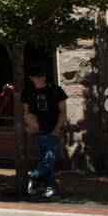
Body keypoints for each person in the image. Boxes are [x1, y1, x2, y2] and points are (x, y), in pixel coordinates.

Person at [20, 66, 66, 199]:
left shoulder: (55, 90)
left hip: (52, 130)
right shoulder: (28, 92)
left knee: (50, 158)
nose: (41, 78)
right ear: (31, 78)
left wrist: (57, 129)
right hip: (37, 131)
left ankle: (34, 179)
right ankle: (50, 187)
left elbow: (63, 111)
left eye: (43, 75)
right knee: (43, 161)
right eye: (37, 76)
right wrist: (28, 126)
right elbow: (27, 112)